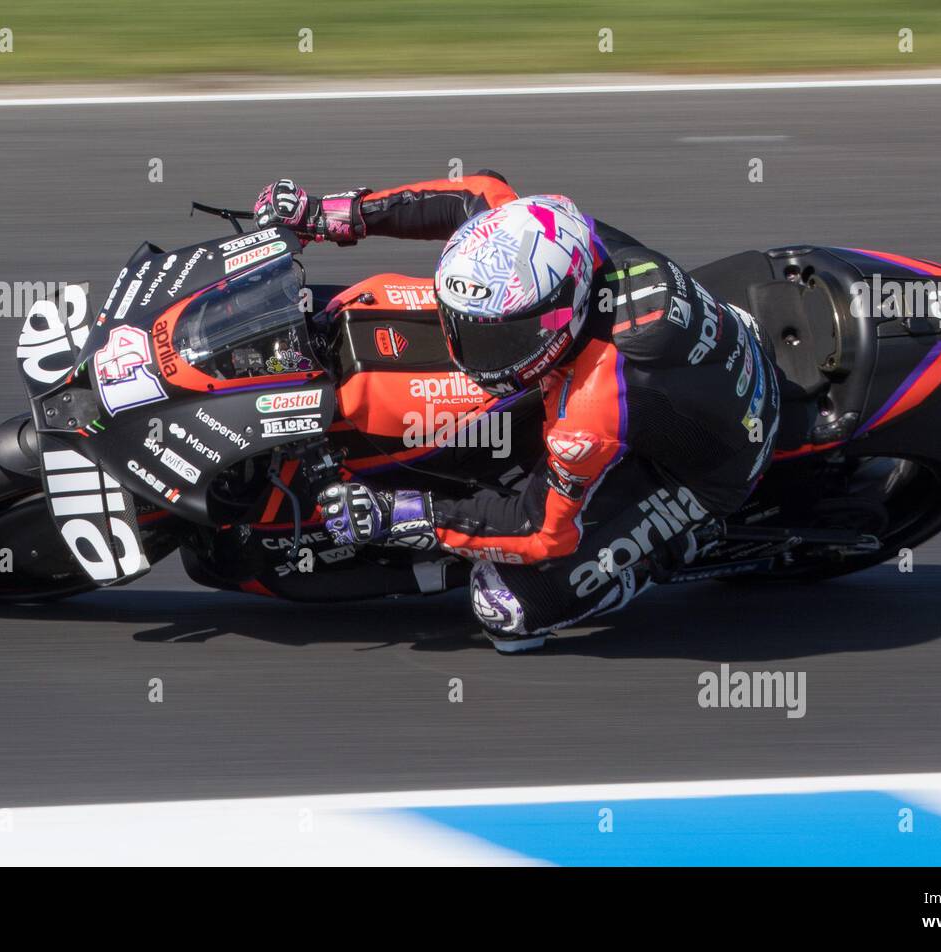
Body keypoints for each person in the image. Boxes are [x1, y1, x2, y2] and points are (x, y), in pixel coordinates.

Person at [253, 173, 781, 652]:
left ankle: (667, 549)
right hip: (690, 366)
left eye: (498, 336)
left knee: (503, 606)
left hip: (706, 467)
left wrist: (406, 514)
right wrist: (329, 212)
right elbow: (472, 194)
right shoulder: (552, 232)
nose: (471, 348)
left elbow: (540, 529)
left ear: (559, 314)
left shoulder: (593, 403)